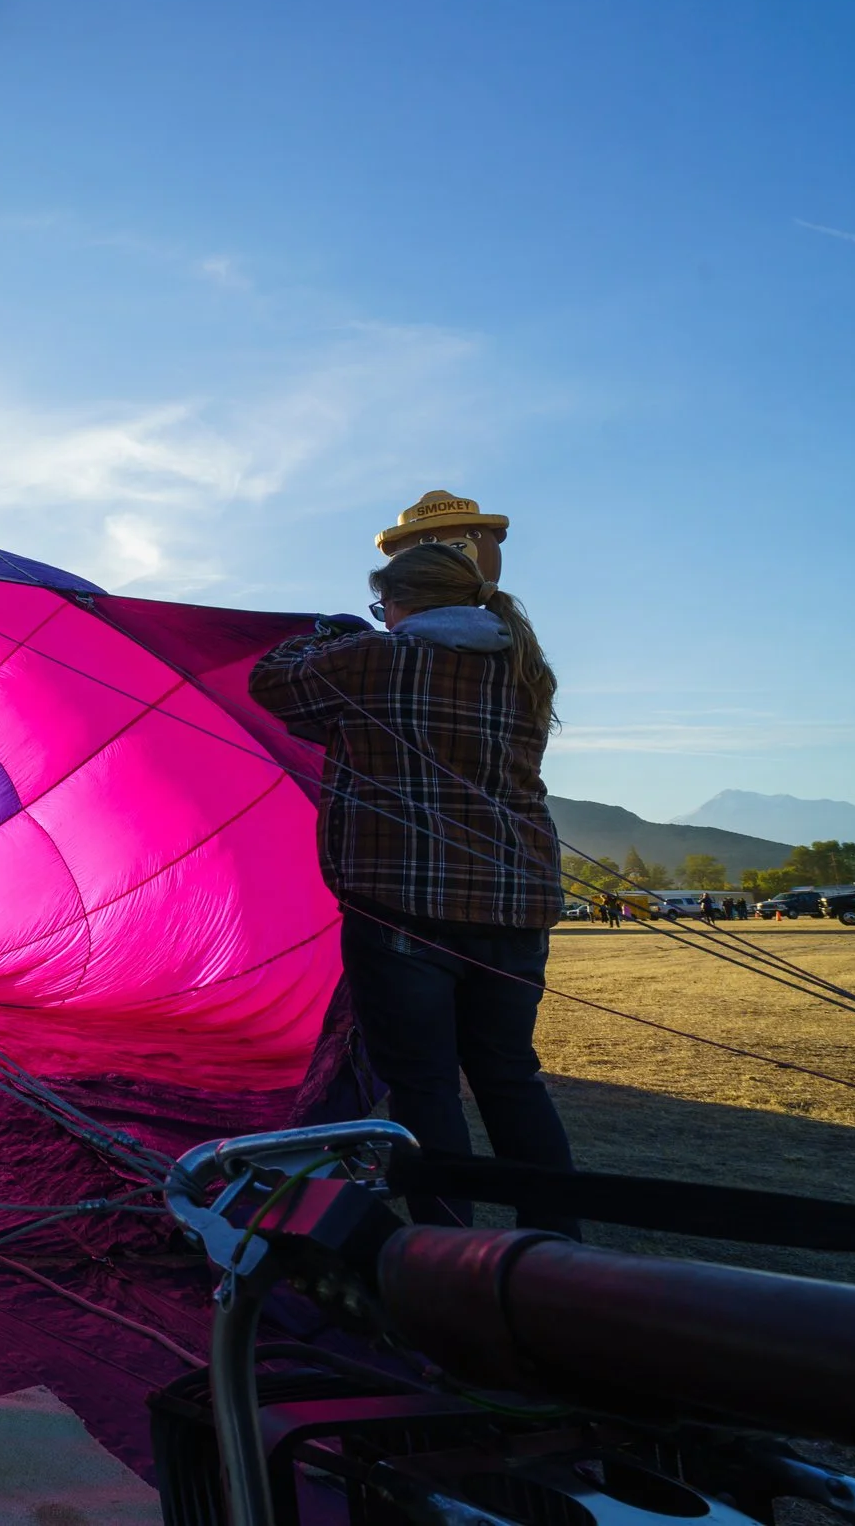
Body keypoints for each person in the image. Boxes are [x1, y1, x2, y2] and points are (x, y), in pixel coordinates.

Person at [250, 542, 577, 1234]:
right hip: (516, 904)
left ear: (401, 604)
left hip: (403, 905)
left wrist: (326, 636)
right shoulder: (524, 671)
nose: (383, 617)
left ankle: (443, 1247)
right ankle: (559, 1241)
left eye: (383, 606)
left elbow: (270, 684)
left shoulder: (380, 659)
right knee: (510, 1077)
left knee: (426, 1087)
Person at [375, 489, 507, 584]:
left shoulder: (416, 622)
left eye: (473, 534)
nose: (456, 546)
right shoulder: (500, 621)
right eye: (428, 540)